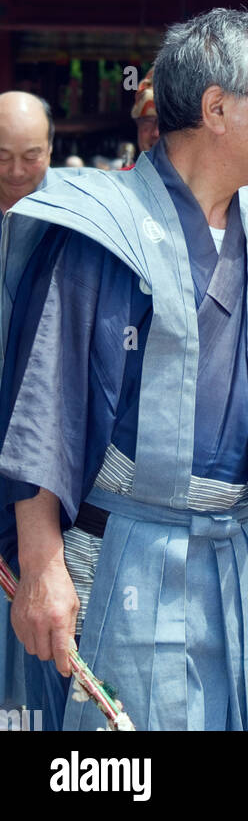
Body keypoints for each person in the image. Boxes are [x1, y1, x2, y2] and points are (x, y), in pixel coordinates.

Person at [0, 8, 248, 731]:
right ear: (217, 108)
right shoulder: (97, 232)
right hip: (120, 547)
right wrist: (42, 568)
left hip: (238, 549)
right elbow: (42, 414)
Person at [0, 91, 55, 712]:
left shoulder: (73, 224)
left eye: (31, 156)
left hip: (41, 449)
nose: (16, 173)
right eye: (3, 157)